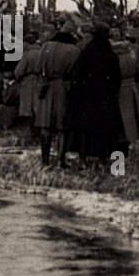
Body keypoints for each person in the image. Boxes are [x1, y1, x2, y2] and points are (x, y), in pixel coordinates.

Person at [68, 20, 123, 165]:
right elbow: (117, 78)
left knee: (85, 128)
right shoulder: (111, 54)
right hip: (106, 96)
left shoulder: (86, 52)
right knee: (105, 127)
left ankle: (83, 158)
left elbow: (77, 75)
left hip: (87, 95)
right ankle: (103, 157)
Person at [36, 18, 81, 167]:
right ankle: (61, 161)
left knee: (45, 124)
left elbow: (38, 67)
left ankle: (45, 160)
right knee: (63, 126)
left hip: (47, 87)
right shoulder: (74, 51)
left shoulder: (46, 46)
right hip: (64, 88)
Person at [113, 28, 139, 153]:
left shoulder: (112, 55)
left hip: (115, 89)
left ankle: (117, 160)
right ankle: (125, 150)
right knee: (130, 120)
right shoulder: (131, 53)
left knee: (117, 121)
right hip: (130, 88)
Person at [13, 30, 43, 134]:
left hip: (28, 81)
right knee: (38, 107)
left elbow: (19, 71)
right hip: (40, 80)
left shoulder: (27, 54)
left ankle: (30, 132)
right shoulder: (43, 52)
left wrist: (17, 78)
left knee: (28, 109)